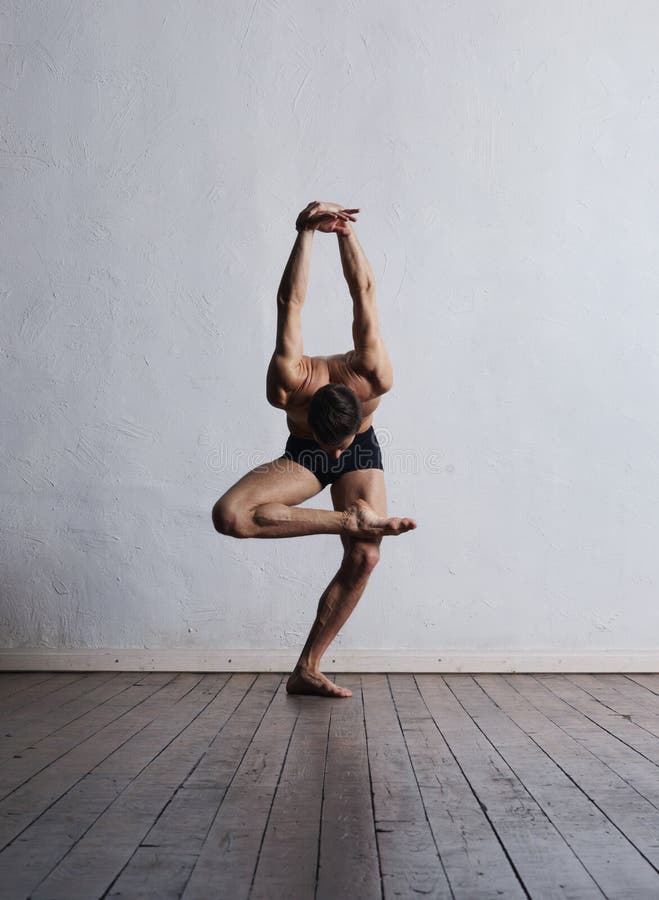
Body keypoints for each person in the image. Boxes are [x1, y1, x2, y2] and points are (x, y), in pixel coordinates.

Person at [212, 201, 417, 698]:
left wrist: (344, 233)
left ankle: (307, 667)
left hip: (361, 453)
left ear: (360, 404)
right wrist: (304, 232)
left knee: (366, 557)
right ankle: (353, 521)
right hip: (303, 453)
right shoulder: (288, 382)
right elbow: (290, 302)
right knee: (230, 515)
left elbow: (362, 290)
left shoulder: (373, 373)